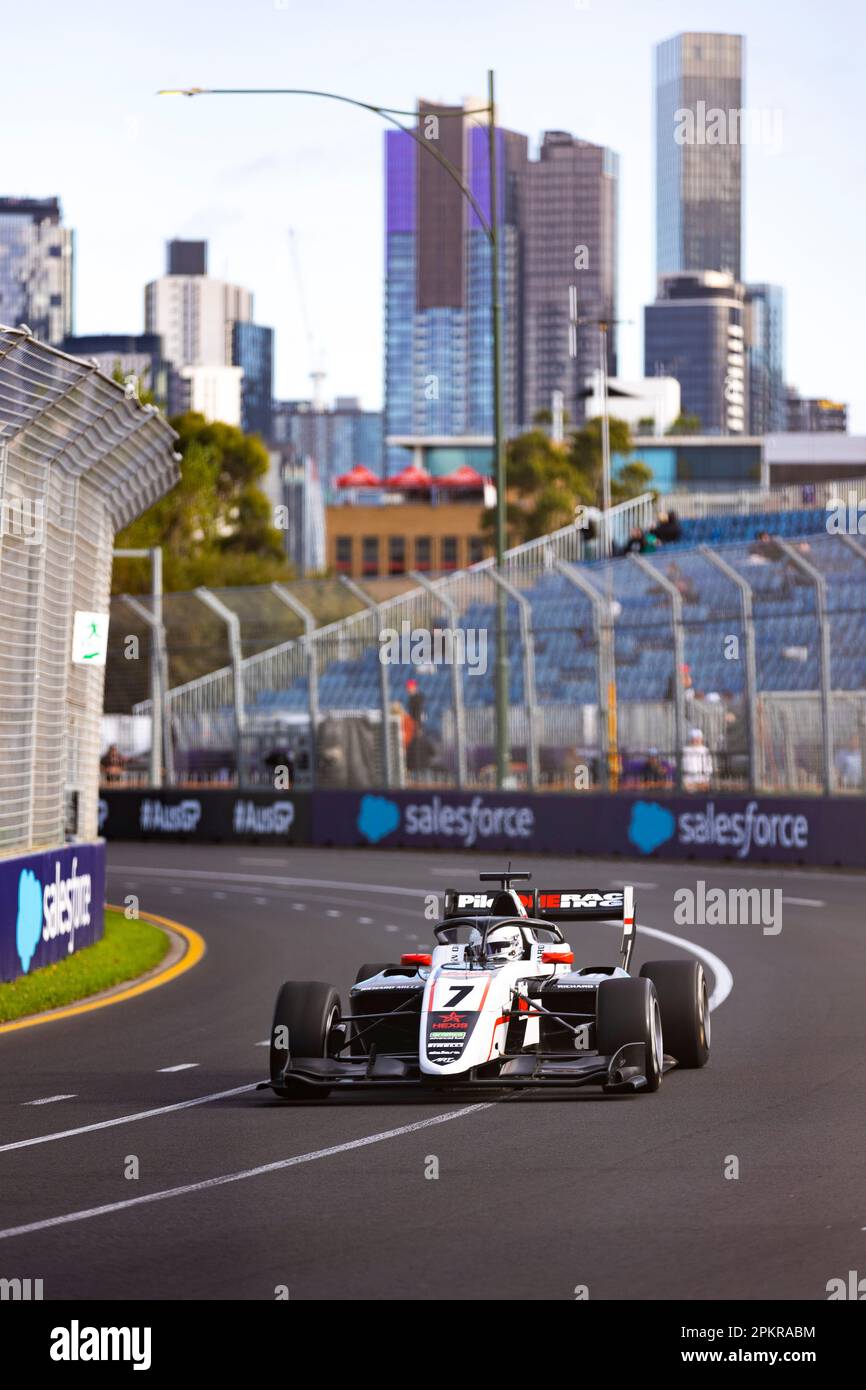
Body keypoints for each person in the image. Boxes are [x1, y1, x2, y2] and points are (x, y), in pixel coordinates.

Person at [682, 727, 713, 792]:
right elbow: (680, 767)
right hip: (688, 783)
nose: (696, 740)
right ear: (690, 739)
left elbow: (709, 767)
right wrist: (685, 782)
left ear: (701, 739)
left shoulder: (705, 751)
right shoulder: (685, 750)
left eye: (698, 738)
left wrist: (706, 781)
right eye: (693, 738)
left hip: (702, 782)